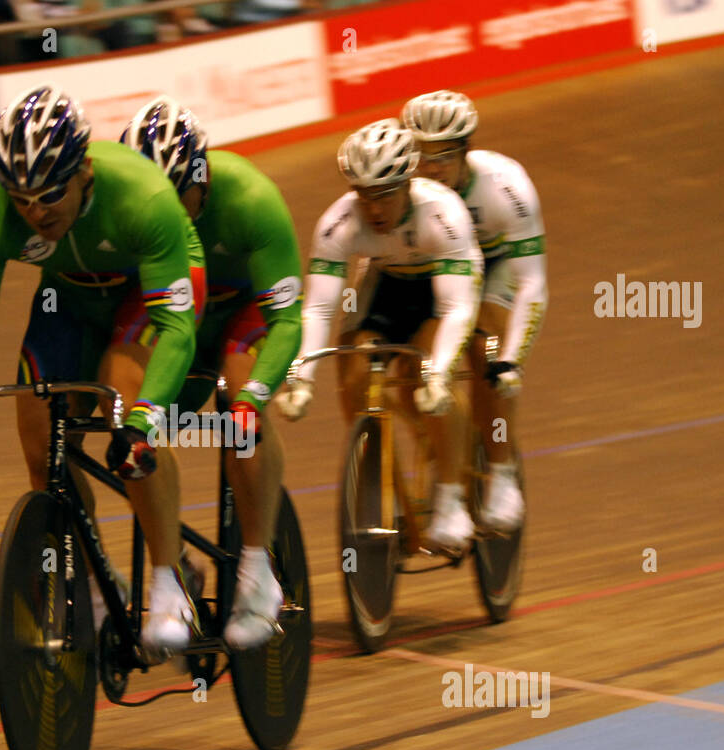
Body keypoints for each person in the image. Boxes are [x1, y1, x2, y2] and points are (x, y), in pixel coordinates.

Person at [0, 85, 206, 659]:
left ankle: (170, 577)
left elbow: (175, 329)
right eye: (20, 197)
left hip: (142, 297)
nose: (35, 211)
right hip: (68, 301)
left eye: (50, 193)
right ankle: (98, 590)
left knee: (122, 394)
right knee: (38, 437)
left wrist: (144, 424)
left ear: (85, 172)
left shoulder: (143, 196)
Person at [121, 95, 303, 648]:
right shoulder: (132, 209)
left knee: (237, 400)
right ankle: (173, 560)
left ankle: (255, 569)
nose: (169, 212)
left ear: (202, 176)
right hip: (179, 318)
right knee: (131, 418)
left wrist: (251, 399)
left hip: (241, 315)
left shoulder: (251, 200)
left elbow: (287, 319)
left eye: (180, 195)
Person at [275, 119, 483, 552]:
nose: (374, 210)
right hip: (384, 286)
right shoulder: (338, 223)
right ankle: (399, 510)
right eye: (364, 195)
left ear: (409, 182)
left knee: (425, 366)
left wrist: (440, 372)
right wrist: (301, 376)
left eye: (385, 195)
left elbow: (455, 308)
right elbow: (318, 307)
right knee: (352, 383)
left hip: (437, 293)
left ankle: (451, 497)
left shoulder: (443, 214)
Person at [403, 90, 546, 532]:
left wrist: (512, 358)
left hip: (497, 269)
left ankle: (501, 473)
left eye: (443, 156)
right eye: (423, 156)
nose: (432, 168)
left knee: (485, 350)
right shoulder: (400, 189)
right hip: (440, 272)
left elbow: (531, 282)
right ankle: (440, 439)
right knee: (414, 363)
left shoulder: (506, 186)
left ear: (467, 150)